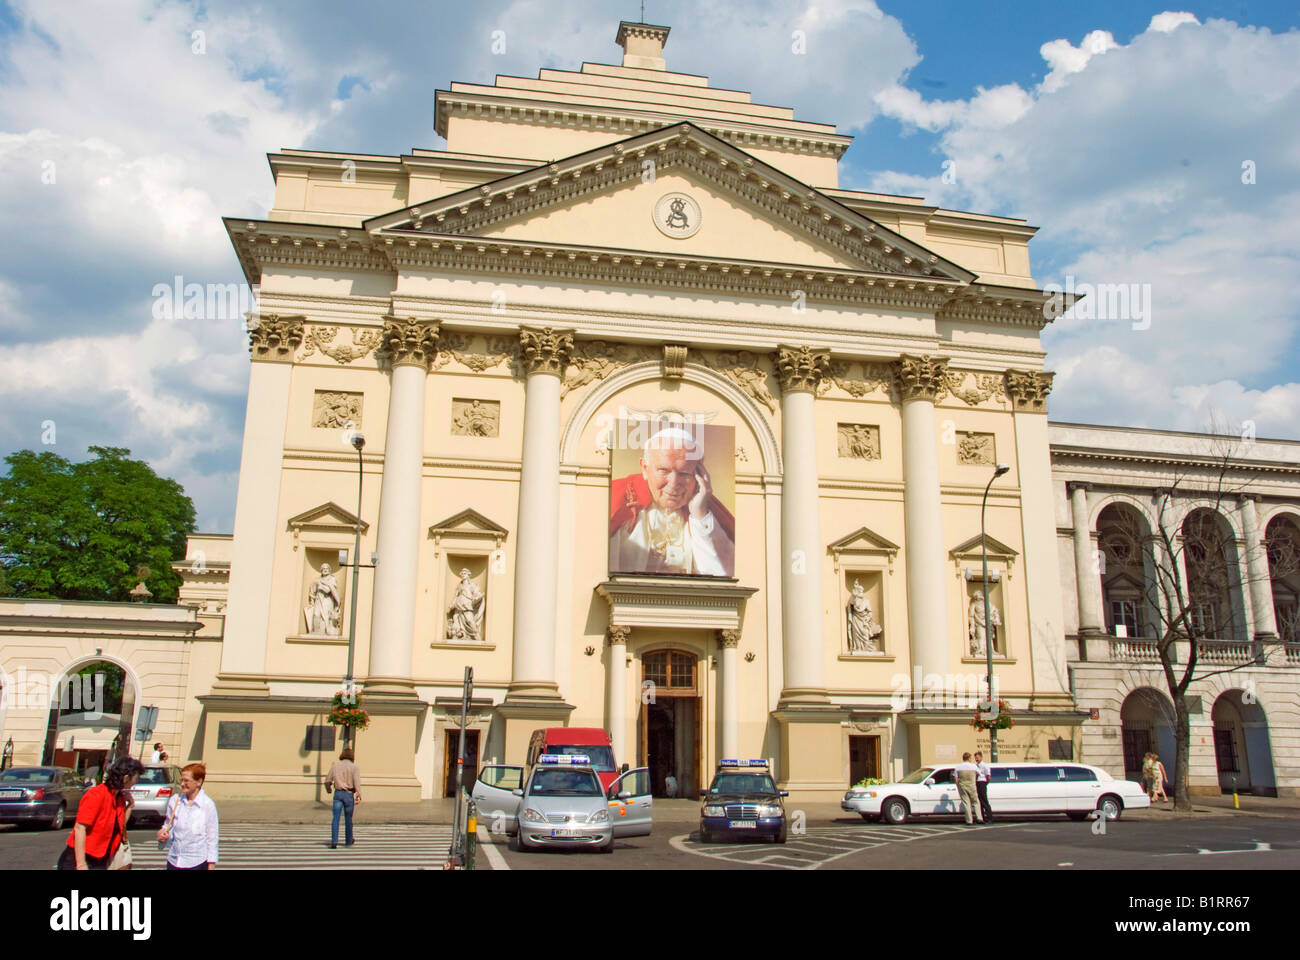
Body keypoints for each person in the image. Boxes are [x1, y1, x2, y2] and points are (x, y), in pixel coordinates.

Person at [609, 427, 735, 576]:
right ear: (644, 467)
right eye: (663, 470)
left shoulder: (707, 510)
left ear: (700, 474)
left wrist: (700, 516)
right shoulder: (615, 498)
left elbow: (725, 576)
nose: (674, 483)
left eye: (684, 473)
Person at [58, 756, 143, 870]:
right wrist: (81, 863)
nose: (135, 782)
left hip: (100, 858)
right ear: (126, 778)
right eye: (136, 778)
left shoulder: (119, 797)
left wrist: (130, 806)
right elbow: (80, 828)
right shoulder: (97, 794)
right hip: (79, 857)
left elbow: (120, 825)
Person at [156, 762, 219, 870]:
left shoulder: (207, 805)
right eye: (182, 780)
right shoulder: (175, 801)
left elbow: (212, 838)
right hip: (174, 861)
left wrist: (211, 865)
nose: (182, 784)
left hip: (197, 862)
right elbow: (167, 826)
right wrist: (161, 835)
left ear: (199, 782)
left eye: (186, 781)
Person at [325, 747, 362, 849]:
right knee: (348, 819)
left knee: (335, 818)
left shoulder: (335, 766)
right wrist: (358, 794)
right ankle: (349, 840)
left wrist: (328, 789)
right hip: (349, 794)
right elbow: (357, 782)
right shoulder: (355, 768)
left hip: (338, 793)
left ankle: (334, 840)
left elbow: (327, 780)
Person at [953, 753, 983, 825]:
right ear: (969, 758)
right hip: (972, 785)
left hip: (962, 785)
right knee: (976, 801)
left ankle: (969, 820)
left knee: (966, 803)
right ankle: (979, 818)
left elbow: (956, 778)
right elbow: (979, 774)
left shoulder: (958, 767)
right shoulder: (973, 766)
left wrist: (958, 786)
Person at [974, 750, 994, 823]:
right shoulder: (975, 766)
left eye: (978, 757)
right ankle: (982, 818)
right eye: (975, 757)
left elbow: (988, 776)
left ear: (981, 757)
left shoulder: (984, 765)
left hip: (982, 782)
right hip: (977, 783)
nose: (976, 759)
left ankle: (990, 818)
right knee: (979, 801)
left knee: (984, 801)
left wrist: (985, 783)